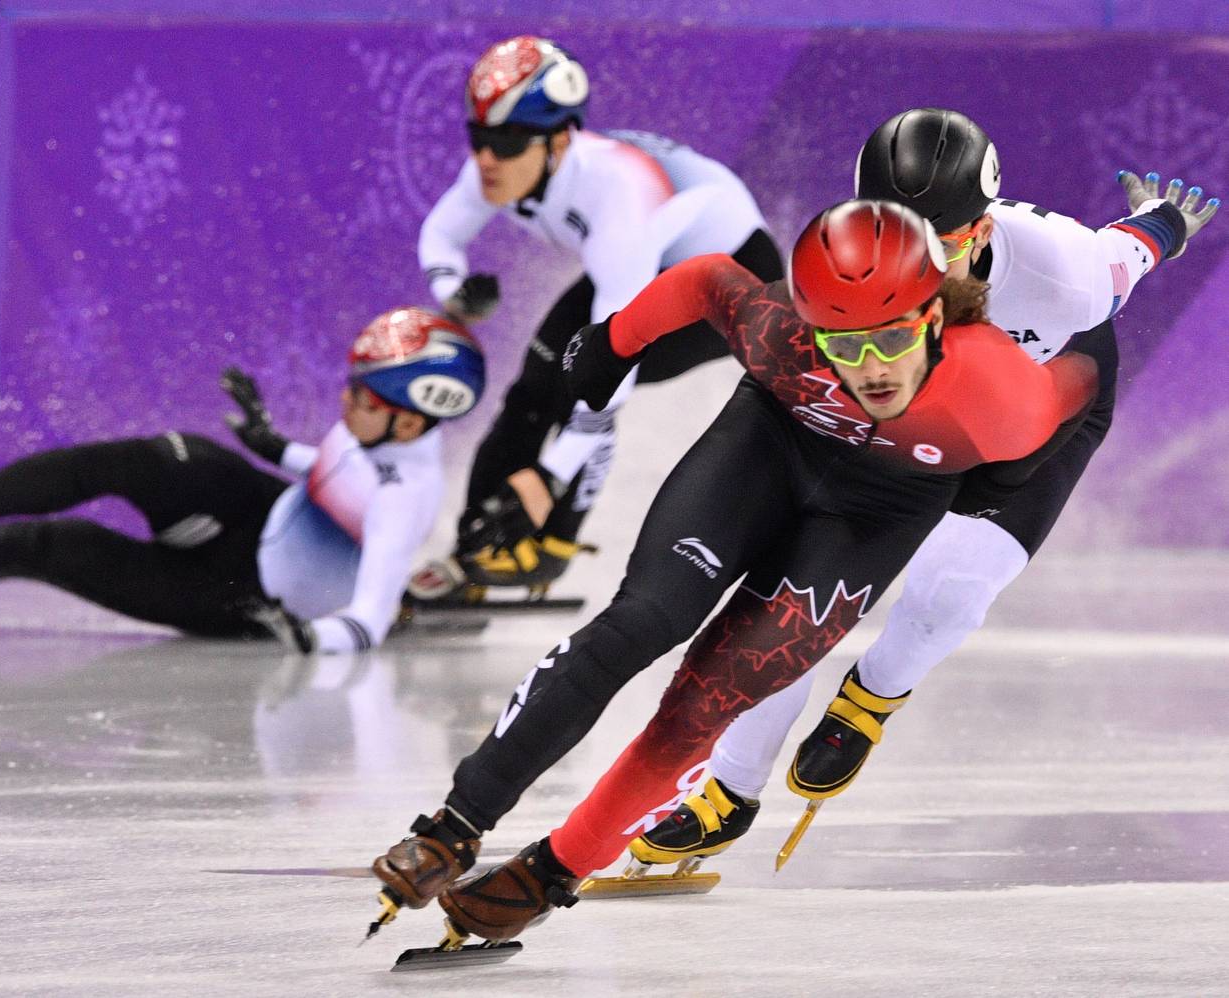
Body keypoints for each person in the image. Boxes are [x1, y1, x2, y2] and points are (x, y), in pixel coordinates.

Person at [370, 188, 1207, 948]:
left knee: (706, 699)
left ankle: (557, 870)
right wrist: (613, 341)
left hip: (871, 517)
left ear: (935, 316)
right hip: (767, 449)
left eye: (891, 337)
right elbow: (703, 280)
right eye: (846, 342)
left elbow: (1089, 358)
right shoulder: (780, 332)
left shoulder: (1006, 399)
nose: (871, 366)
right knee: (641, 623)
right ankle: (453, 822)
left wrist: (1157, 228)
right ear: (812, 325)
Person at [629, 110, 1222, 874]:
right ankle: (728, 790)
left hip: (1039, 404)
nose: (912, 272)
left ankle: (874, 697)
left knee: (954, 590)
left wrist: (1161, 222)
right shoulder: (844, 259)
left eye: (937, 247)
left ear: (978, 231)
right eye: (892, 238)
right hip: (903, 401)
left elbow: (1129, 253)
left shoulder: (1066, 275)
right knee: (799, 599)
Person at [0, 308, 485, 654]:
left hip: (242, 596)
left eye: (363, 395)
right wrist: (272, 446)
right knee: (149, 459)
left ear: (415, 422)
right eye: (352, 383)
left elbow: (369, 620)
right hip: (261, 513)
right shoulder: (371, 432)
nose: (344, 400)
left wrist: (305, 635)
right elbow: (330, 475)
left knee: (56, 545)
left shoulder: (403, 502)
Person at [409, 35, 783, 600]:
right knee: (532, 389)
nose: (487, 158)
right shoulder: (501, 167)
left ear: (560, 141)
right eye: (479, 138)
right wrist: (455, 293)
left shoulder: (617, 199)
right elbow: (441, 234)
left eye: (507, 142)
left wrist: (551, 473)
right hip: (656, 264)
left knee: (579, 382)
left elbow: (614, 372)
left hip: (730, 281)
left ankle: (551, 546)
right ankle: (476, 548)